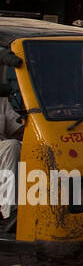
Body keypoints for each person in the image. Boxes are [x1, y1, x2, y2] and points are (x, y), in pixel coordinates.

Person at [0, 87, 27, 233]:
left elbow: (17, 128)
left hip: (1, 148)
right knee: (12, 147)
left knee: (32, 148)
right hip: (5, 148)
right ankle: (8, 213)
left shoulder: (1, 101)